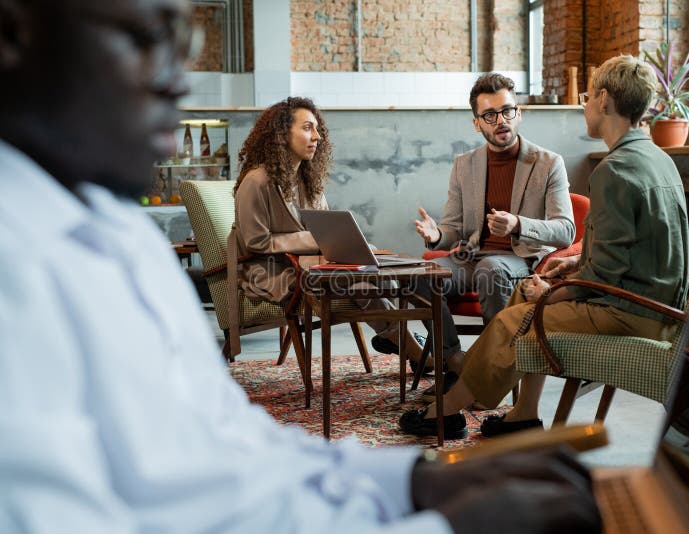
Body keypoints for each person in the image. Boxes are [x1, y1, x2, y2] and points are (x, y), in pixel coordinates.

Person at [0, 0, 601, 532]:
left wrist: (409, 483)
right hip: (318, 271)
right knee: (436, 279)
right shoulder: (18, 269)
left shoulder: (121, 235)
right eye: (139, 35)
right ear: (14, 35)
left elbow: (226, 445)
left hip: (507, 261)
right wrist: (441, 523)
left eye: (181, 43)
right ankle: (447, 367)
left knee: (441, 279)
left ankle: (454, 373)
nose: (175, 79)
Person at [400, 55, 689, 439]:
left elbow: (597, 266)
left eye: (587, 97)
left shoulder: (612, 170)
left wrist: (552, 291)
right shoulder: (658, 159)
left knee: (510, 319)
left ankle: (448, 410)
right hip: (654, 303)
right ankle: (523, 412)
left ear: (604, 101)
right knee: (520, 292)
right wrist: (570, 269)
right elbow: (622, 252)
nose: (585, 105)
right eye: (490, 115)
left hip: (628, 311)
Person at [412, 72, 575, 393]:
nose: (501, 120)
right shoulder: (464, 165)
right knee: (421, 275)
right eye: (490, 115)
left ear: (519, 113)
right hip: (472, 256)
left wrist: (518, 224)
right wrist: (436, 237)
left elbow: (566, 230)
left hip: (519, 260)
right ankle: (455, 362)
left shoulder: (548, 163)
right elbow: (453, 227)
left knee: (492, 268)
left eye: (507, 110)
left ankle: (492, 372)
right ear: (477, 123)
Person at [233, 96, 424, 366]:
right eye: (308, 128)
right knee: (361, 284)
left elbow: (326, 231)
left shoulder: (309, 181)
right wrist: (314, 241)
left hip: (315, 266)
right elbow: (255, 241)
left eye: (317, 129)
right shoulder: (256, 181)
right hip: (272, 271)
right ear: (281, 134)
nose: (318, 136)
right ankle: (416, 352)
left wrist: (351, 245)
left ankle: (401, 342)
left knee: (381, 277)